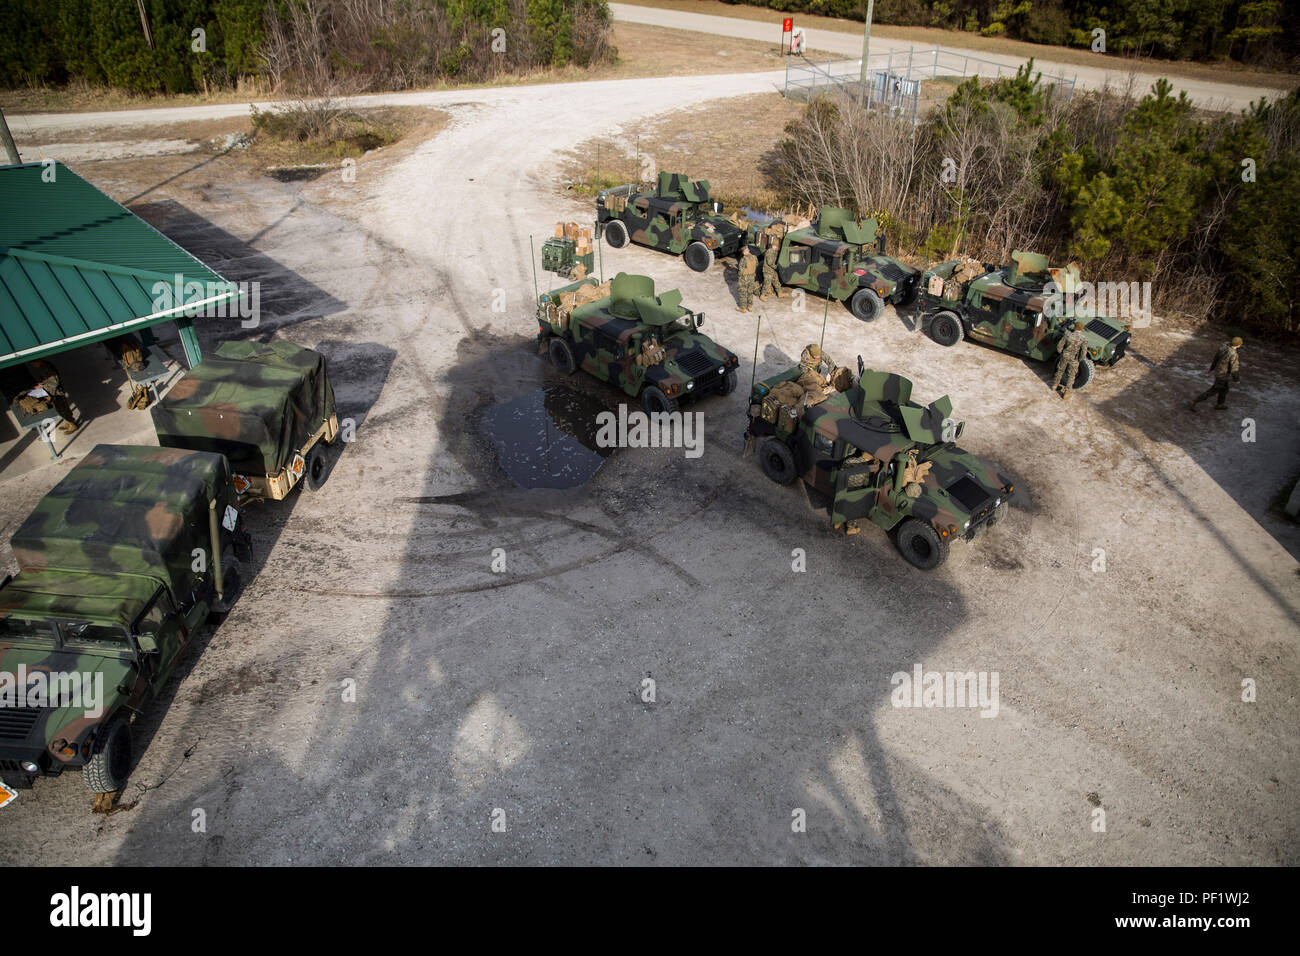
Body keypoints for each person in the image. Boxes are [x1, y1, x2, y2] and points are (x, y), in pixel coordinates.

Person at [23, 358, 80, 433]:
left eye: (34, 364)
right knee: (60, 409)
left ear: (38, 361)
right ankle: (68, 422)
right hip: (53, 392)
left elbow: (54, 382)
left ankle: (72, 425)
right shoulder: (43, 366)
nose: (34, 366)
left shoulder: (48, 368)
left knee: (63, 409)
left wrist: (42, 386)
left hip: (56, 393)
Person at [1189, 337, 1242, 411]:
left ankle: (1220, 404)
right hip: (1223, 375)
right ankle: (1194, 401)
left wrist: (1212, 367)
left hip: (1219, 371)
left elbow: (1216, 358)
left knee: (1224, 389)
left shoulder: (1224, 347)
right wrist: (1236, 379)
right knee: (1213, 390)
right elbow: (1234, 368)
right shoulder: (1233, 354)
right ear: (1239, 345)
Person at [1052, 321, 1089, 398]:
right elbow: (1084, 352)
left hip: (1065, 356)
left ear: (1075, 327)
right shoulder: (1083, 339)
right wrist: (1079, 359)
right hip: (1074, 359)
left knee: (1060, 370)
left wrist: (1061, 353)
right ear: (1081, 329)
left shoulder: (1068, 335)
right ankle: (1066, 392)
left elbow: (1059, 346)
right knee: (1071, 375)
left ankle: (1055, 385)